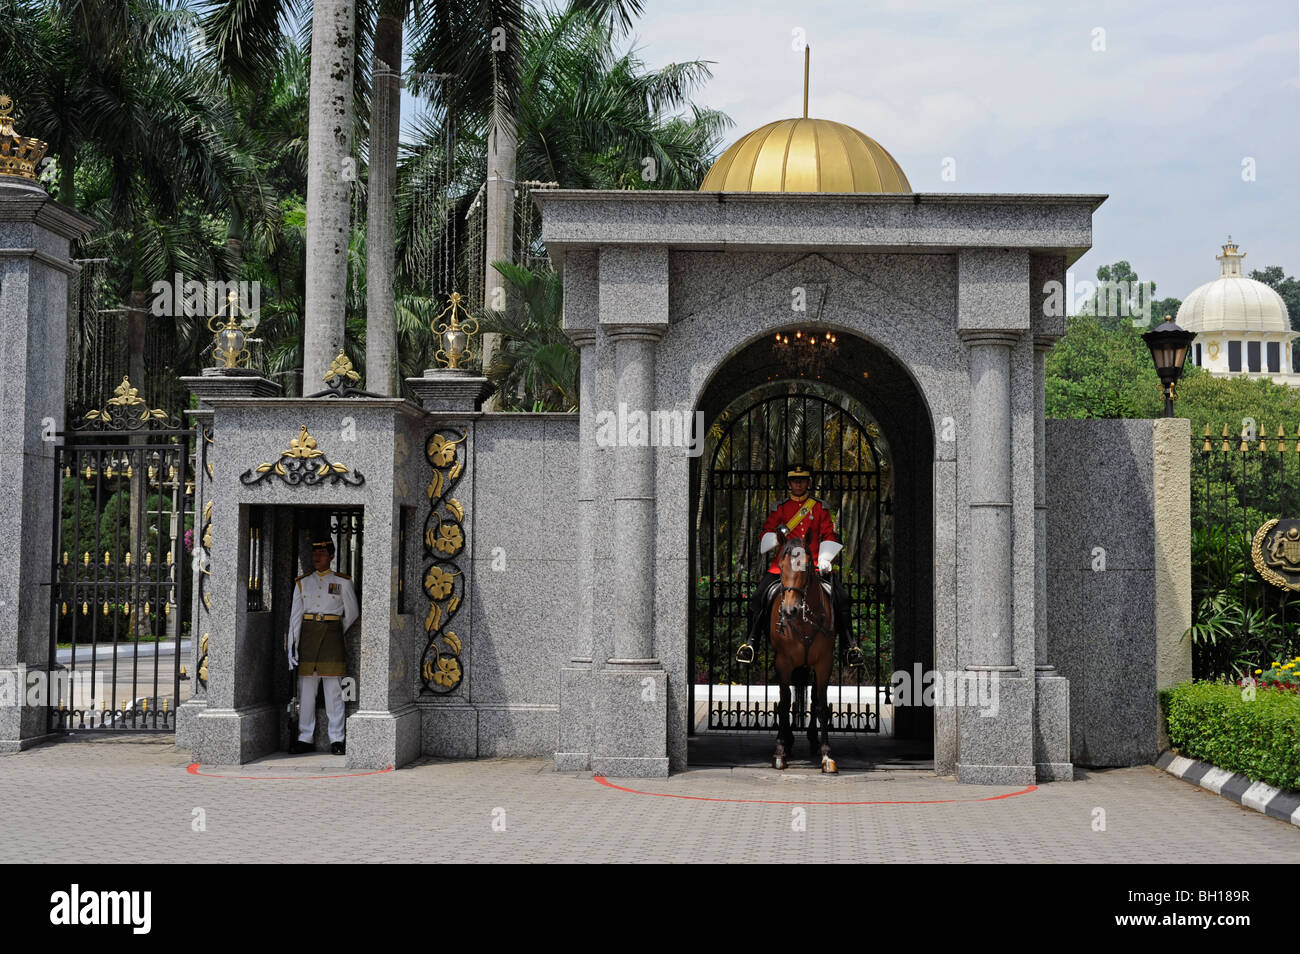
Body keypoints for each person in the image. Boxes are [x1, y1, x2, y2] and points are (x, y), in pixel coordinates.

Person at [736, 464, 863, 668]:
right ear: (789, 483)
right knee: (759, 597)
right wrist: (777, 538)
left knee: (842, 598)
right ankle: (751, 643)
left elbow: (829, 534)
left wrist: (824, 558)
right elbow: (766, 533)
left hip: (811, 566)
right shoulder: (780, 508)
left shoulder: (819, 507)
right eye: (795, 480)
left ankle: (849, 646)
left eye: (802, 480)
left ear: (808, 483)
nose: (798, 484)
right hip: (784, 567)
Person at [287, 538, 358, 755]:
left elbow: (352, 613)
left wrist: (335, 630)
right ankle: (304, 737)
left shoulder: (343, 582)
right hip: (308, 638)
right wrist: (293, 645)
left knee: (334, 692)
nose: (317, 558)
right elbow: (295, 617)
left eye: (322, 554)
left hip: (331, 639)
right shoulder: (303, 582)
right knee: (306, 691)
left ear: (332, 556)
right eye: (315, 554)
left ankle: (337, 739)